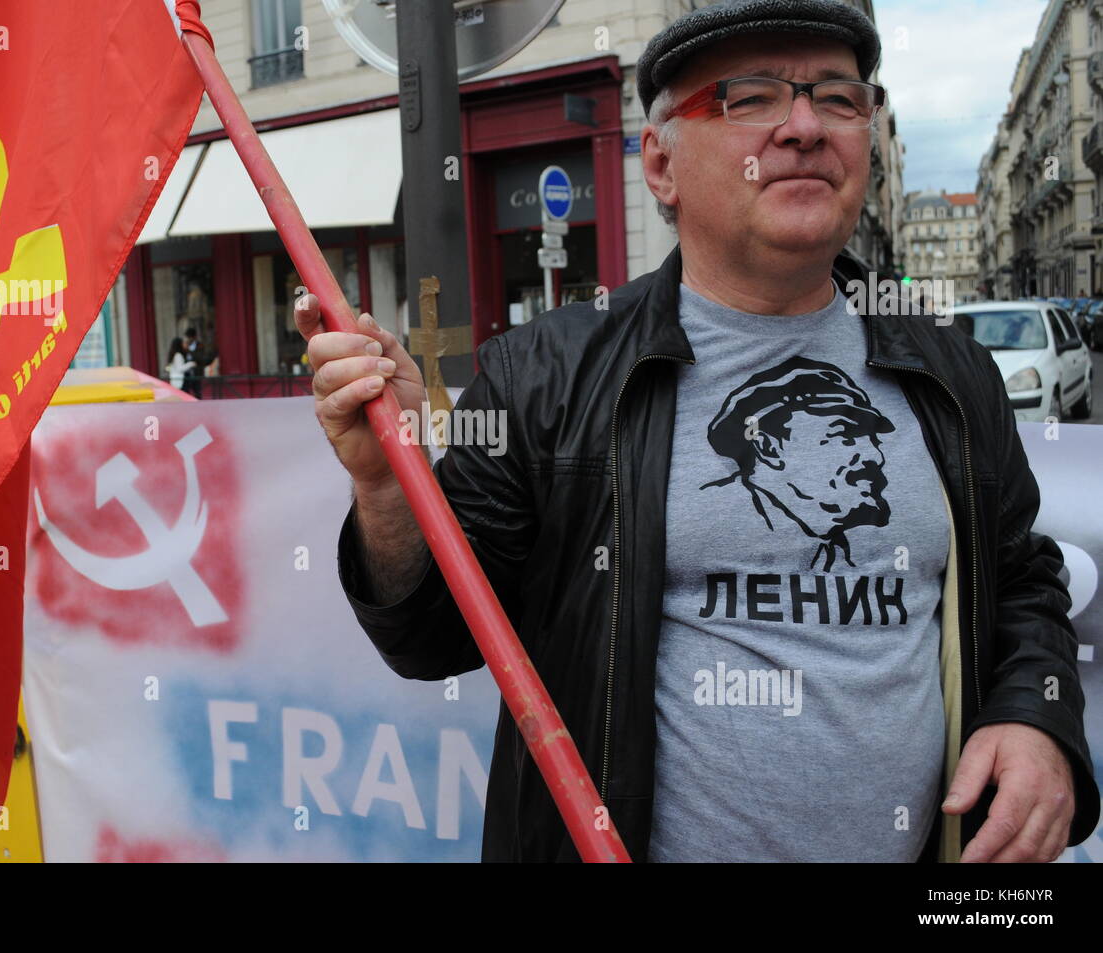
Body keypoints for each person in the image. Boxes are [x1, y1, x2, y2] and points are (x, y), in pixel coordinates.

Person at [294, 0, 1097, 863]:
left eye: (837, 97)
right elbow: (433, 636)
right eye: (748, 97)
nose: (802, 126)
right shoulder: (543, 377)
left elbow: (1022, 578)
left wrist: (1036, 715)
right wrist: (388, 488)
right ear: (660, 164)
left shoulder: (951, 372)